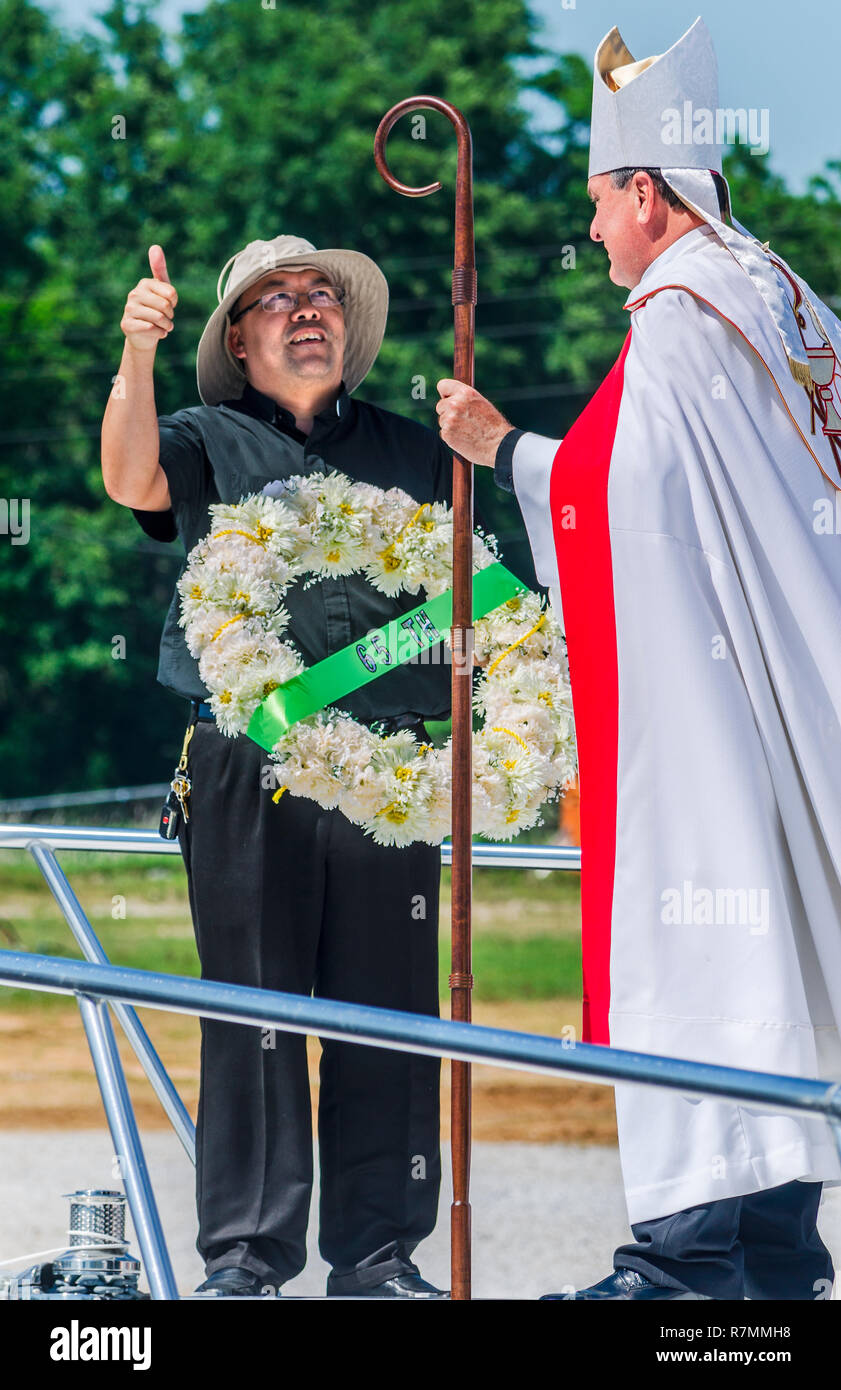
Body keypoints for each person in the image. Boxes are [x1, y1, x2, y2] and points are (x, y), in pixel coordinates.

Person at [435, 17, 841, 1300]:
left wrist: (501, 445)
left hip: (712, 690)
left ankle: (677, 1269)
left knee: (701, 936)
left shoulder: (676, 316)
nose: (597, 232)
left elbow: (624, 502)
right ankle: (773, 1248)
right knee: (767, 940)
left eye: (602, 203)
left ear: (647, 194)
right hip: (794, 674)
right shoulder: (788, 299)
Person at [101, 233, 456, 1299]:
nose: (306, 310)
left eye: (322, 296)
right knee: (252, 1014)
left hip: (389, 771)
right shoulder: (205, 437)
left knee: (389, 1017)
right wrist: (133, 352)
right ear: (240, 344)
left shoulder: (420, 449)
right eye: (274, 301)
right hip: (247, 768)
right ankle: (247, 1260)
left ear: (347, 334)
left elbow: (474, 600)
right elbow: (127, 479)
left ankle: (379, 1258)